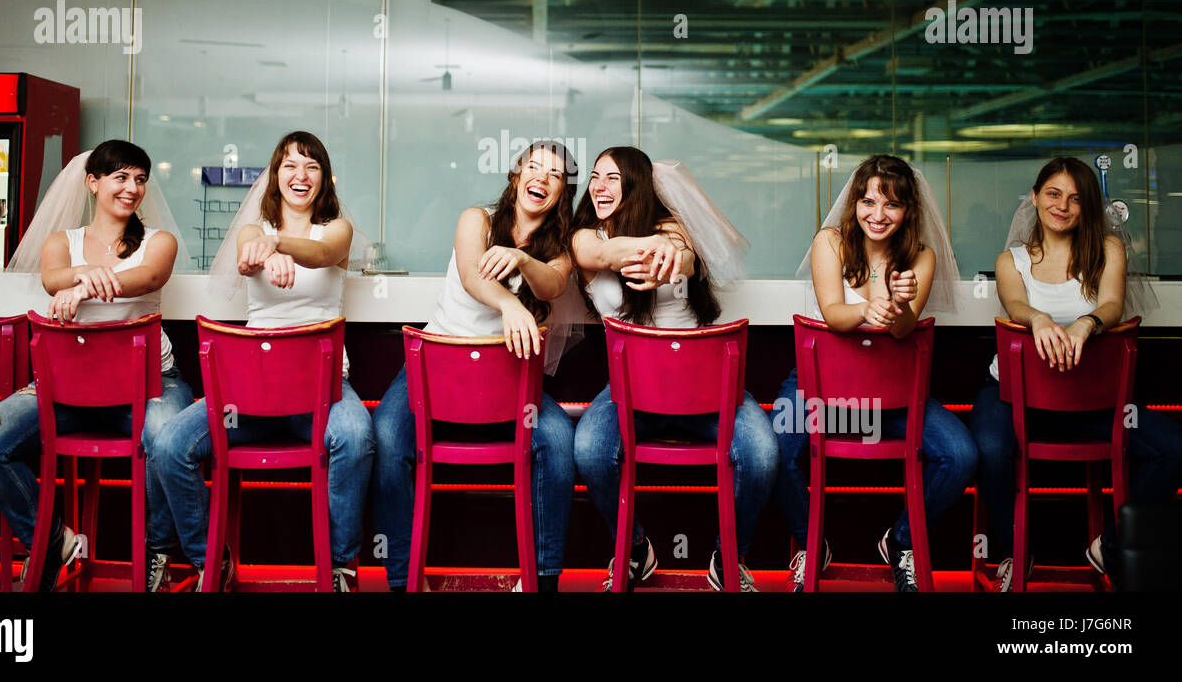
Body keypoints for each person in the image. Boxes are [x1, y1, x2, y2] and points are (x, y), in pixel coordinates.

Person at [0, 140, 194, 591]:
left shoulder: (157, 242)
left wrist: (83, 287)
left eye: (140, 179)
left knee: (167, 443)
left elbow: (147, 277)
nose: (132, 188)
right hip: (70, 388)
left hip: (151, 384)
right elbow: (52, 277)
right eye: (120, 177)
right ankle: (52, 540)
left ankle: (157, 555)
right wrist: (77, 277)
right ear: (93, 182)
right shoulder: (60, 242)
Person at [148, 131, 373, 592]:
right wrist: (262, 249)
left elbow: (325, 253)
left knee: (357, 436)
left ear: (324, 179)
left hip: (322, 392)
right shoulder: (253, 230)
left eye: (311, 166)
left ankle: (340, 568)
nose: (300, 175)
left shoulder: (336, 230)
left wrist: (280, 247)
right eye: (290, 165)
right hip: (249, 398)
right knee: (170, 444)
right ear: (276, 176)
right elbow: (248, 251)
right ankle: (210, 561)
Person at [370, 141, 579, 592]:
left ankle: (542, 579)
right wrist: (509, 305)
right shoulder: (476, 220)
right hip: (434, 371)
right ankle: (403, 578)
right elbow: (470, 273)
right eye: (534, 167)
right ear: (516, 175)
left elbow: (552, 284)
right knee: (387, 437)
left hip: (508, 381)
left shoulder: (559, 251)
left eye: (555, 175)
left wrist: (524, 259)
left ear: (563, 193)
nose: (541, 178)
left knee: (559, 441)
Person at [971, 156, 1180, 591]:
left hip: (1091, 399)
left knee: (1174, 449)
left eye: (1076, 198)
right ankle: (1016, 552)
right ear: (1035, 197)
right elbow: (1014, 305)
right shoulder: (1011, 261)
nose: (1062, 205)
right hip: (1012, 395)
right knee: (988, 451)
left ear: (1088, 208)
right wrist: (1039, 318)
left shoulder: (1108, 250)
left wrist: (1088, 322)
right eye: (1053, 193)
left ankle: (1112, 544)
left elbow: (1111, 305)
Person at [570, 147, 774, 591]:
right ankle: (636, 550)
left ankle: (729, 557)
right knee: (589, 450)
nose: (599, 187)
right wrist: (651, 248)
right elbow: (603, 256)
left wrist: (674, 254)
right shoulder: (584, 237)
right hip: (632, 391)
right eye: (595, 177)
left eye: (614, 179)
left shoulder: (673, 229)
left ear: (637, 187)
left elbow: (684, 257)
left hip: (705, 386)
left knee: (762, 455)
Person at [773, 153, 976, 592]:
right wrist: (867, 307)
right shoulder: (830, 241)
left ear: (908, 210)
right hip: (822, 389)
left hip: (895, 391)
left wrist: (901, 303)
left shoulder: (921, 256)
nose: (878, 215)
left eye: (892, 205)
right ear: (854, 204)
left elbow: (904, 330)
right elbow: (832, 313)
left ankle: (901, 541)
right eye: (868, 202)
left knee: (960, 454)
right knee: (774, 449)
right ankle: (811, 544)